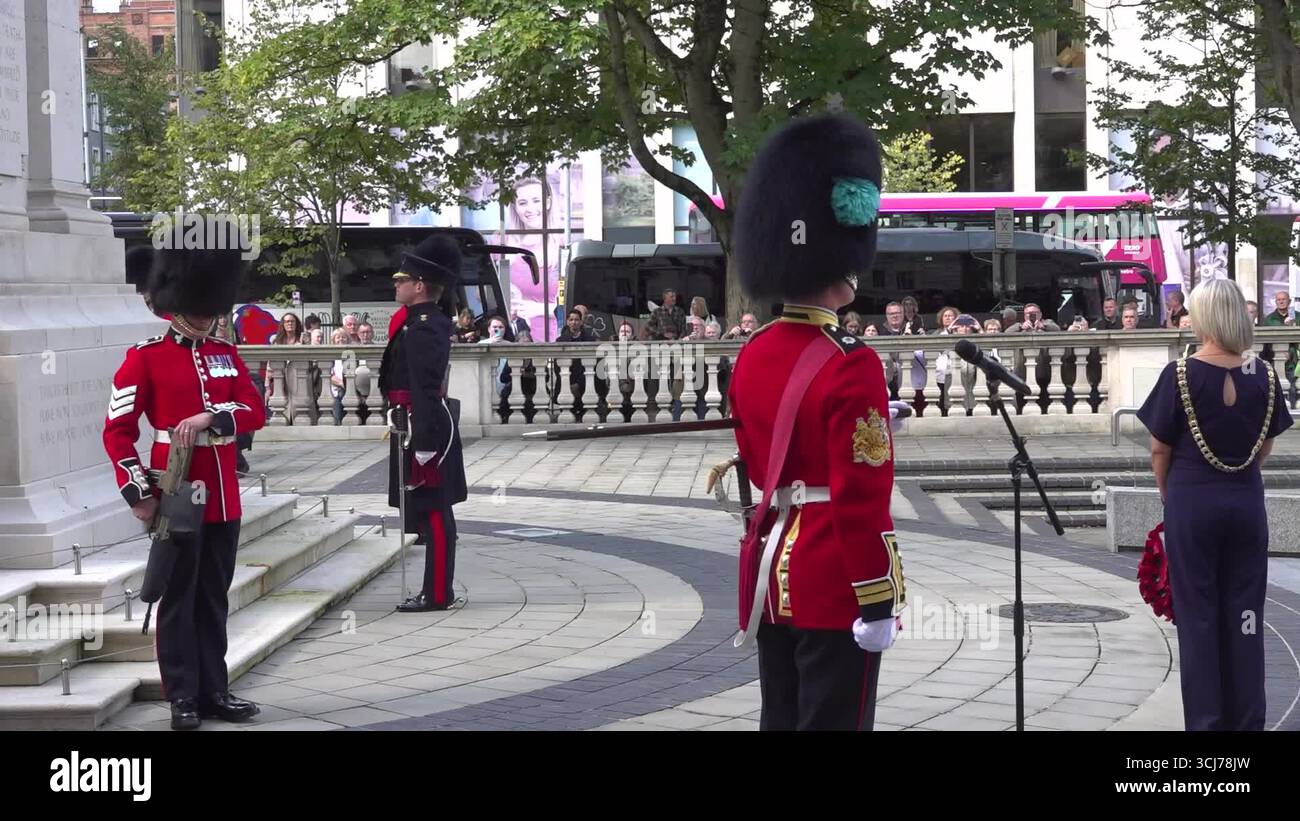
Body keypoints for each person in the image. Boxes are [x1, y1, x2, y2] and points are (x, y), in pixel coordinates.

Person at [730, 112, 905, 731]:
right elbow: (861, 495)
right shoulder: (851, 365)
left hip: (771, 575)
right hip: (834, 575)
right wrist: (877, 594)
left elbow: (761, 461)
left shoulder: (751, 353)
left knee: (781, 718)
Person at [102, 239, 266, 731]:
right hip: (175, 492)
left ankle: (216, 689)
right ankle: (183, 696)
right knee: (178, 598)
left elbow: (255, 410)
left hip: (222, 495)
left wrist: (213, 417)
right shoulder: (144, 358)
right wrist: (140, 494)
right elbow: (117, 431)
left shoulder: (223, 353)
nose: (206, 317)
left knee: (214, 595)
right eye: (199, 308)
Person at [1137, 278, 1292, 730]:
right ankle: (1248, 723)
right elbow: (1264, 448)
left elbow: (1158, 450)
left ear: (1203, 316)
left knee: (1198, 619)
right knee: (1246, 616)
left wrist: (1171, 494)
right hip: (1245, 504)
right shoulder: (1261, 372)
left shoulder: (1180, 373)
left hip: (1192, 503)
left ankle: (1206, 725)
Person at [379, 235, 468, 612]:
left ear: (419, 286)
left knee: (434, 509)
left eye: (402, 279)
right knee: (430, 509)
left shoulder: (426, 326)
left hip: (423, 424)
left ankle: (436, 593)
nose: (396, 284)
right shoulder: (417, 322)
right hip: (413, 422)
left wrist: (424, 440)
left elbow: (425, 387)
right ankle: (436, 591)